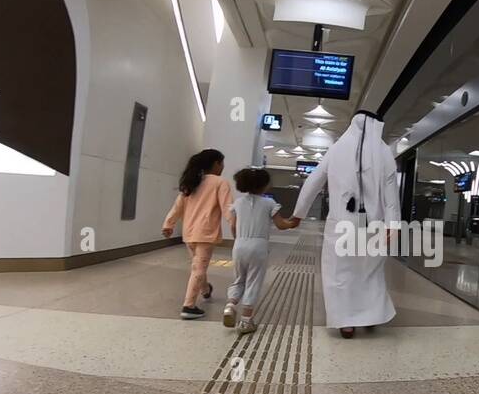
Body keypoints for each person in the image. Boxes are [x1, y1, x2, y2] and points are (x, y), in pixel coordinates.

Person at [290, 110, 400, 338]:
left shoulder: (337, 149)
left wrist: (299, 213)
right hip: (373, 225)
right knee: (370, 273)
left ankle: (346, 323)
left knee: (339, 273)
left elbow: (314, 180)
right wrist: (393, 224)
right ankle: (371, 316)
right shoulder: (383, 152)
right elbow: (391, 193)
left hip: (340, 224)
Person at [224, 167, 299, 335]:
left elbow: (233, 225)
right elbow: (281, 224)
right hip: (258, 246)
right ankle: (245, 321)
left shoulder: (238, 203)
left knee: (239, 279)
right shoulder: (269, 203)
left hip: (239, 244)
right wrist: (293, 223)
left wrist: (238, 240)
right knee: (253, 281)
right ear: (264, 185)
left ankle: (230, 306)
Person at [161, 149, 233, 320]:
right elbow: (228, 208)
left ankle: (205, 290)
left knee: (197, 266)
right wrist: (236, 226)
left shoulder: (192, 181)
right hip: (205, 233)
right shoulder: (220, 182)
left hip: (189, 232)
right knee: (199, 267)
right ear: (216, 164)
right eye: (221, 163)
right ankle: (189, 305)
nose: (223, 167)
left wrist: (168, 224)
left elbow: (178, 206)